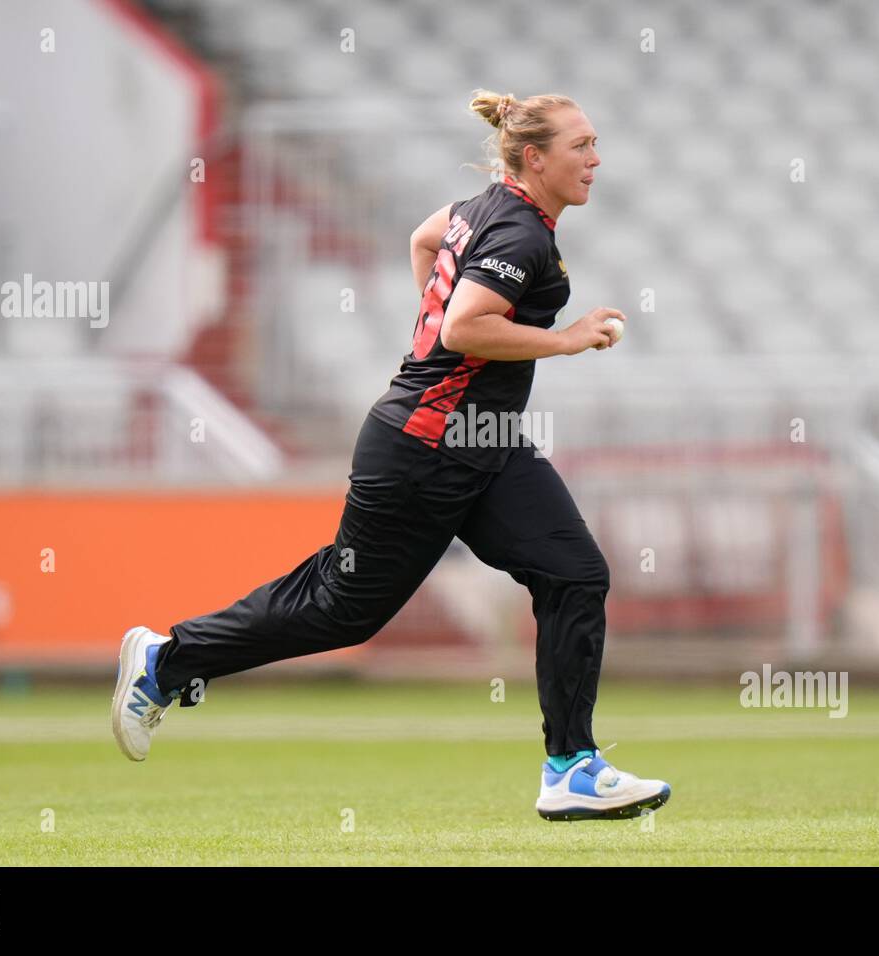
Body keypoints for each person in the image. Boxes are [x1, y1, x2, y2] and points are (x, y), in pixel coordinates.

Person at [112, 89, 670, 821]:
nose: (597, 160)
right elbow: (465, 329)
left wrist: (444, 340)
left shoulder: (485, 210)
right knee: (344, 610)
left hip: (484, 441)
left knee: (574, 574)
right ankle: (167, 661)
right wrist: (563, 340)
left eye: (596, 144)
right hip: (425, 447)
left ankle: (571, 766)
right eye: (582, 146)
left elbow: (422, 240)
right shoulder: (520, 235)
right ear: (535, 158)